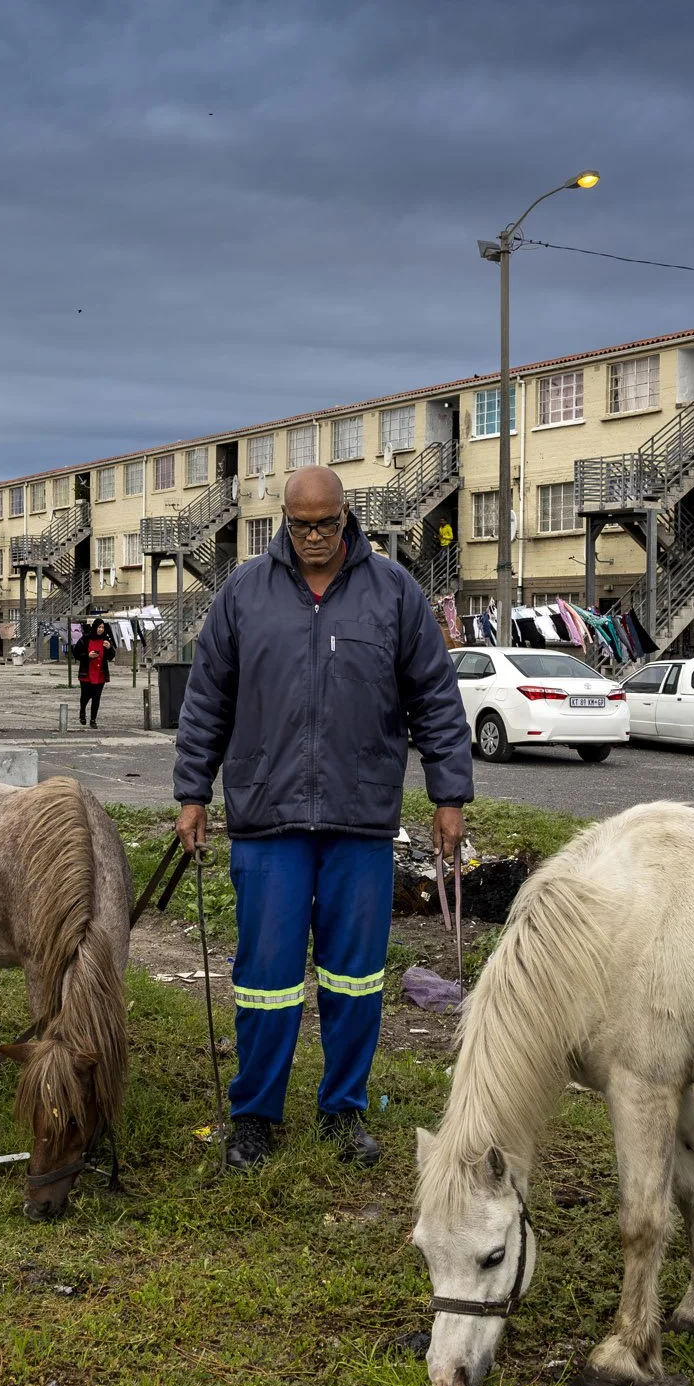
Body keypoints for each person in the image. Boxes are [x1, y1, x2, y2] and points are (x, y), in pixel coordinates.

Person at [173, 466, 474, 1170]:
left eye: (326, 524)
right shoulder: (244, 593)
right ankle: (254, 1116)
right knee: (266, 981)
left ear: (348, 518)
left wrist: (449, 796)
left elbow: (434, 697)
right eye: (300, 524)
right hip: (267, 823)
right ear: (284, 518)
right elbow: (206, 698)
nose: (313, 536)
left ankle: (344, 1111)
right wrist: (193, 793)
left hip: (358, 822)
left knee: (355, 979)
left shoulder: (393, 593)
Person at [71, 618, 114, 728]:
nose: (101, 629)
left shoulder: (106, 640)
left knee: (96, 697)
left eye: (102, 627)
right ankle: (82, 712)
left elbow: (111, 656)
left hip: (100, 673)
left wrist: (109, 648)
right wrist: (88, 655)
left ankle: (93, 720)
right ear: (94, 627)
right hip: (87, 673)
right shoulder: (85, 639)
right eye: (99, 627)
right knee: (85, 696)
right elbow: (76, 653)